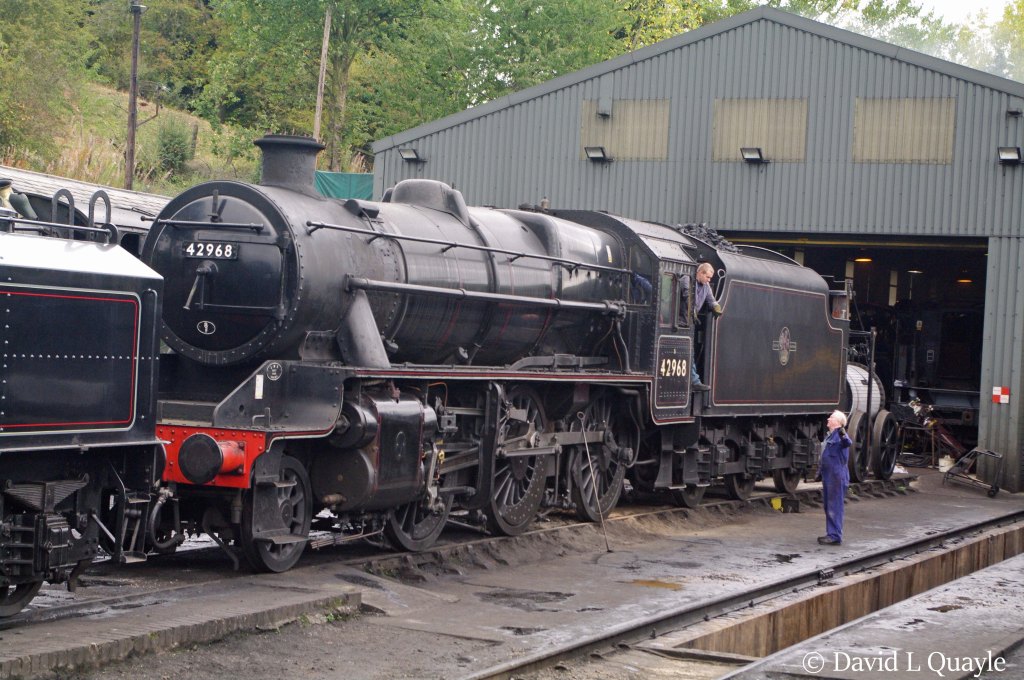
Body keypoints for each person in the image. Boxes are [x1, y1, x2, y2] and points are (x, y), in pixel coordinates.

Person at [818, 410, 852, 545]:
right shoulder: (829, 436)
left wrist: (842, 433)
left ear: (837, 422)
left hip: (837, 476)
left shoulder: (839, 435)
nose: (828, 420)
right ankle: (831, 533)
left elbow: (847, 442)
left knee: (834, 506)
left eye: (831, 418)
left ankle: (834, 536)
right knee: (829, 505)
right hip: (829, 475)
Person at [690, 262, 723, 392]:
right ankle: (694, 381)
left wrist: (716, 308)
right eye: (708, 277)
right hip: (681, 320)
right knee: (689, 352)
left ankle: (694, 380)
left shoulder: (706, 286)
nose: (709, 280)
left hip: (690, 322)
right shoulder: (688, 281)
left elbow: (711, 299)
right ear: (701, 273)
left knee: (690, 352)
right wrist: (691, 312)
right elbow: (686, 297)